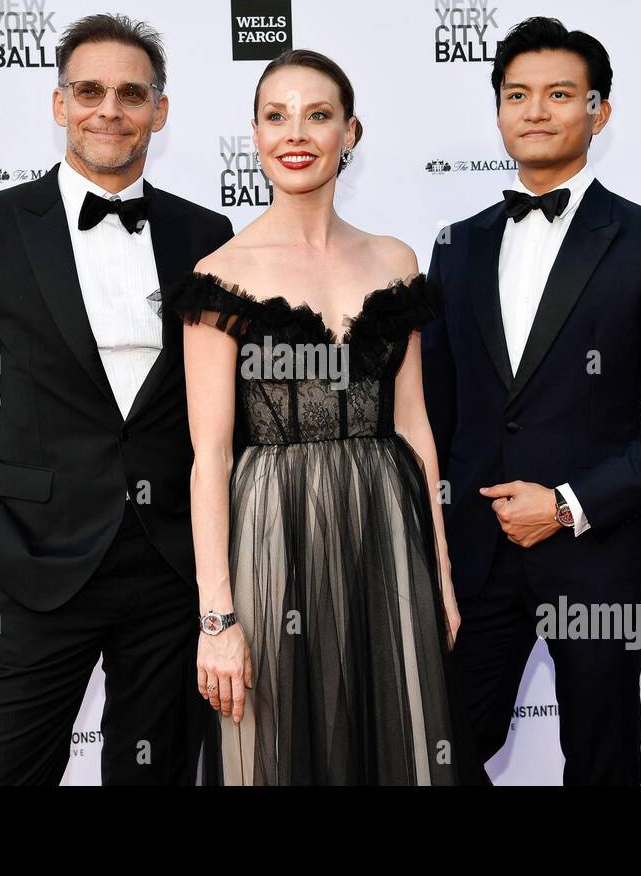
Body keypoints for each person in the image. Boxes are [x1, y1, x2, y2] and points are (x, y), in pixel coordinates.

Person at [0, 13, 233, 785]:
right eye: (88, 91)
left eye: (133, 94)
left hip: (171, 568)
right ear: (59, 104)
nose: (110, 110)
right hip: (33, 559)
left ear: (160, 111)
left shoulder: (210, 235)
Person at [422, 17, 641, 785]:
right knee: (436, 752)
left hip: (595, 559)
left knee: (600, 763)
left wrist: (565, 505)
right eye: (517, 94)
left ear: (599, 110)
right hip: (475, 560)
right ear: (497, 110)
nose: (535, 111)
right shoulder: (456, 245)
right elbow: (432, 411)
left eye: (559, 94)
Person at [155, 49, 469, 785]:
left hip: (386, 532)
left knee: (394, 750)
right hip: (270, 536)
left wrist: (443, 575)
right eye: (276, 115)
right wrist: (217, 618)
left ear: (350, 132)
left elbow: (415, 426)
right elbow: (210, 454)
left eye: (318, 115)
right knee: (274, 751)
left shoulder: (395, 260)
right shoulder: (221, 273)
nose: (296, 133)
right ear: (255, 134)